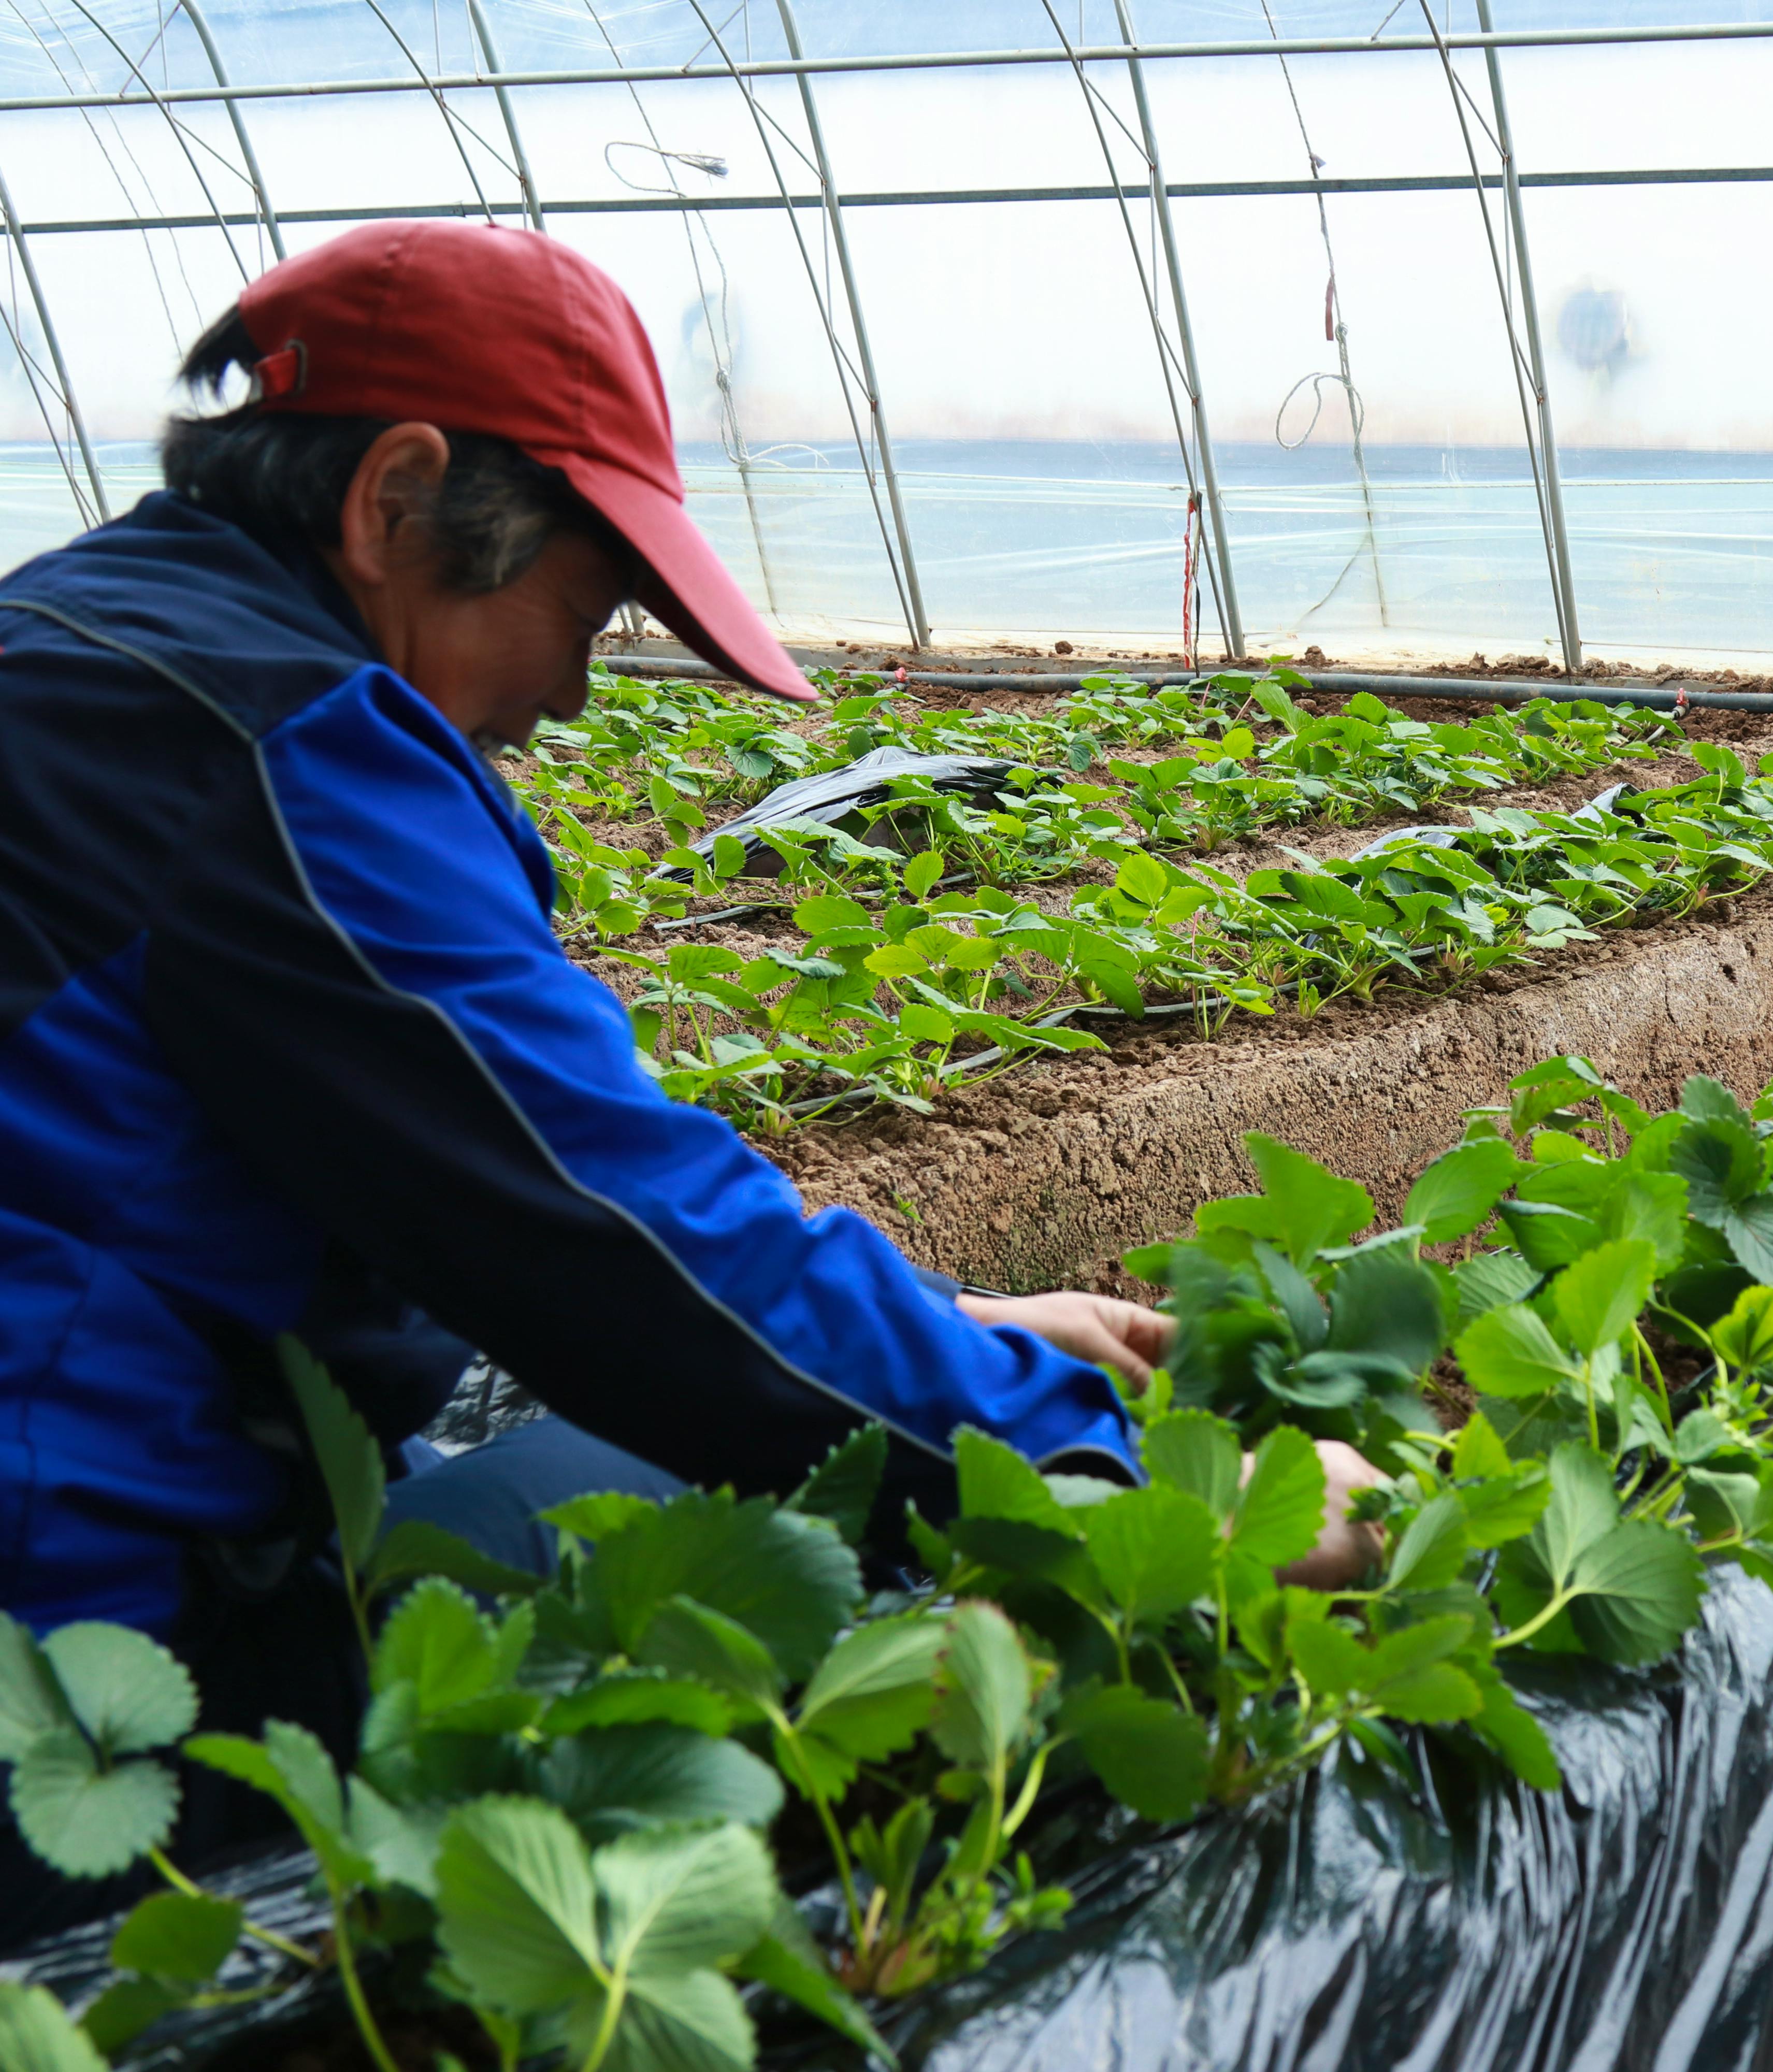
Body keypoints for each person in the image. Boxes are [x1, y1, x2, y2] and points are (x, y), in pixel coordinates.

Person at [0, 222, 1376, 1941]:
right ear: (392, 502)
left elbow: (484, 1215)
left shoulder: (68, 655)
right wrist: (1140, 1475)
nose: (576, 690)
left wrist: (962, 1328)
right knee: (777, 1528)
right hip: (72, 1699)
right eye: (582, 609)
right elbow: (611, 1239)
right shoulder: (277, 752)